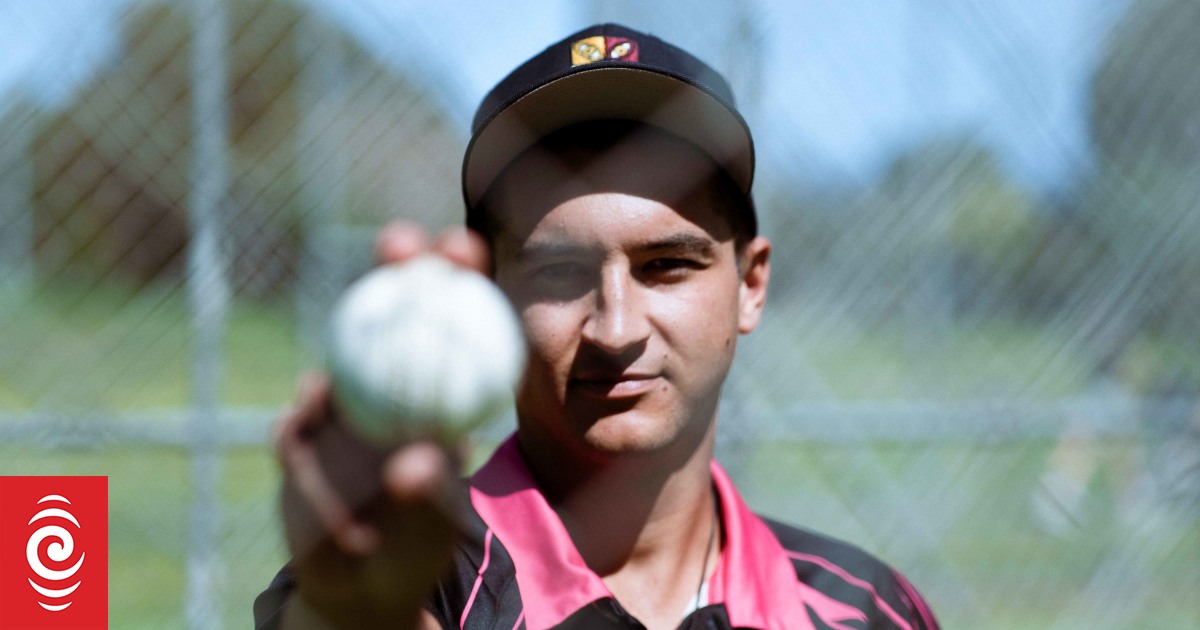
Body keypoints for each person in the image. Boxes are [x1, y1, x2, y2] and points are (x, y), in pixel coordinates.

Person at [254, 23, 940, 630]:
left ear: (750, 286)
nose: (615, 330)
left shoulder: (867, 610)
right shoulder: (402, 581)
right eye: (558, 273)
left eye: (667, 265)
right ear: (490, 296)